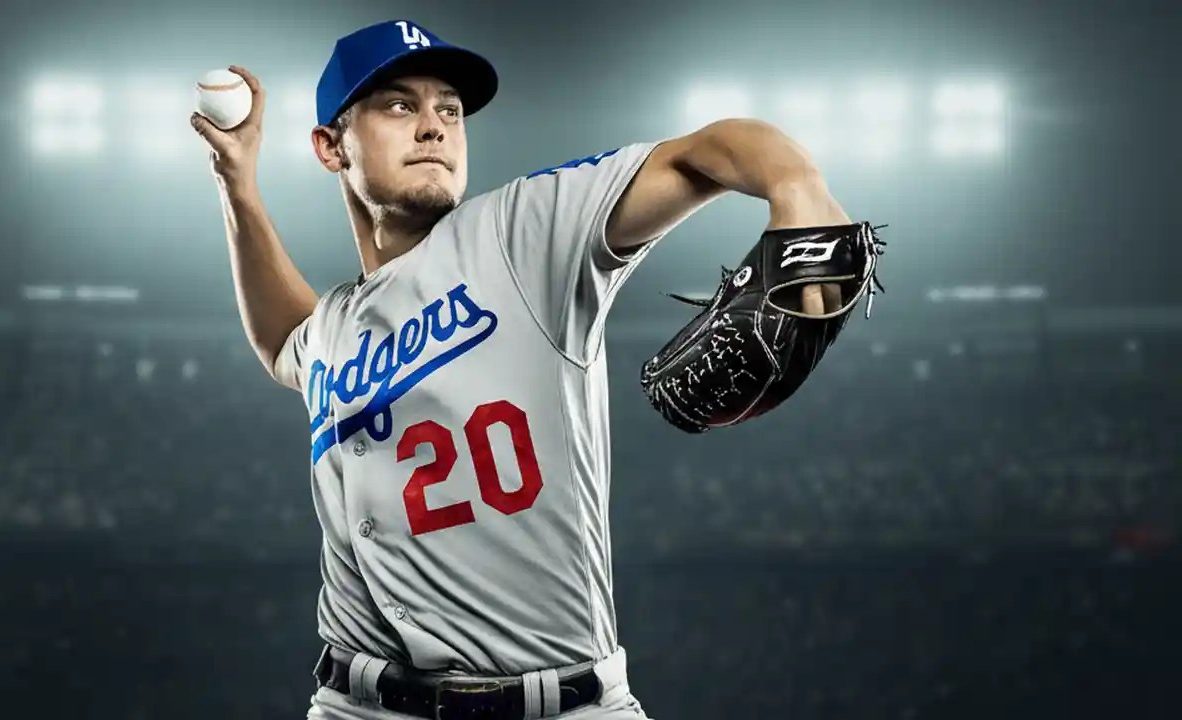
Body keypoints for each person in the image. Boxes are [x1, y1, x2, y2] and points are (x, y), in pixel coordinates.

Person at [190, 18, 851, 720]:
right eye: (398, 105)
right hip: (356, 704)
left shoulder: (524, 231)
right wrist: (237, 183)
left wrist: (795, 181)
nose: (434, 126)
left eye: (449, 108)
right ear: (330, 146)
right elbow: (282, 335)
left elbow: (704, 154)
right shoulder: (335, 325)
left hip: (561, 704)